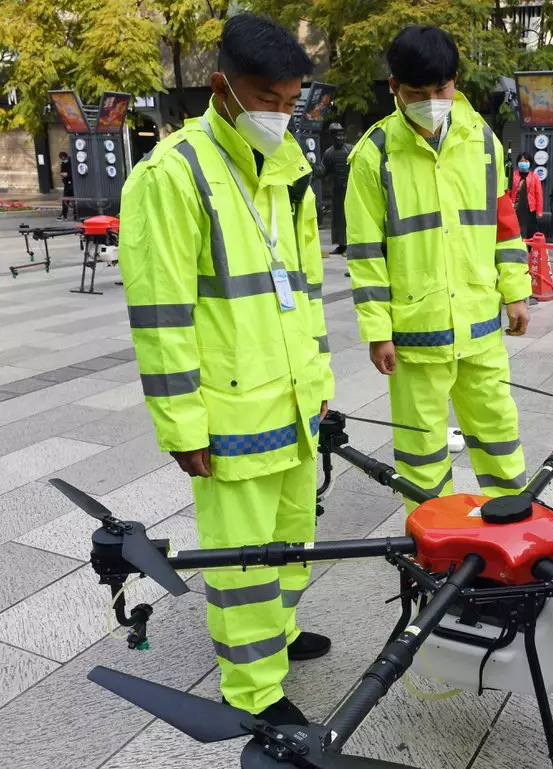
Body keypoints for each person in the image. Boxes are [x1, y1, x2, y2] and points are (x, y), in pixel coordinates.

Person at [117, 14, 335, 727]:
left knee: (293, 534)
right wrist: (182, 422)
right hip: (231, 408)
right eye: (266, 98)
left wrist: (320, 379)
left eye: (290, 100)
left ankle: (282, 632)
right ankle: (253, 690)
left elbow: (302, 286)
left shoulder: (287, 163)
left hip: (294, 395)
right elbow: (161, 313)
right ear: (222, 87)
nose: (279, 113)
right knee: (244, 558)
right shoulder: (173, 175)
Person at [345, 25, 530, 512]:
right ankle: (434, 548)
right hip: (414, 335)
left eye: (441, 89)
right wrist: (377, 330)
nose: (431, 101)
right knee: (421, 451)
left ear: (456, 80)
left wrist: (516, 290)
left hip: (481, 324)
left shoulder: (483, 141)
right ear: (393, 89)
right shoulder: (375, 154)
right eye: (416, 93)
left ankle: (510, 532)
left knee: (499, 436)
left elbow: (504, 225)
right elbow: (365, 253)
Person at [322, 122, 353, 255]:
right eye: (337, 135)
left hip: (352, 188)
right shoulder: (329, 153)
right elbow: (323, 171)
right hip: (338, 190)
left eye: (342, 135)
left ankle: (352, 243)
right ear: (332, 137)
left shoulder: (351, 149)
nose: (340, 138)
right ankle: (341, 244)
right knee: (338, 218)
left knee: (351, 216)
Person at [509, 151, 543, 239]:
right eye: (521, 161)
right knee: (515, 231)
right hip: (515, 207)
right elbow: (509, 191)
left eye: (526, 161)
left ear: (530, 163)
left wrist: (539, 211)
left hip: (529, 209)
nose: (523, 163)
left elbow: (538, 195)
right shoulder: (513, 175)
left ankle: (529, 251)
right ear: (518, 163)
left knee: (530, 232)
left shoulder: (534, 177)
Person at [58, 151, 75, 220]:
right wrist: (62, 174)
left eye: (63, 158)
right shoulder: (63, 163)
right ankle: (64, 214)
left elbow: (73, 172)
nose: (63, 159)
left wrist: (67, 174)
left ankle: (74, 214)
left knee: (73, 199)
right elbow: (62, 171)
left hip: (71, 183)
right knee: (66, 199)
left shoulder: (71, 162)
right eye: (61, 158)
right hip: (67, 183)